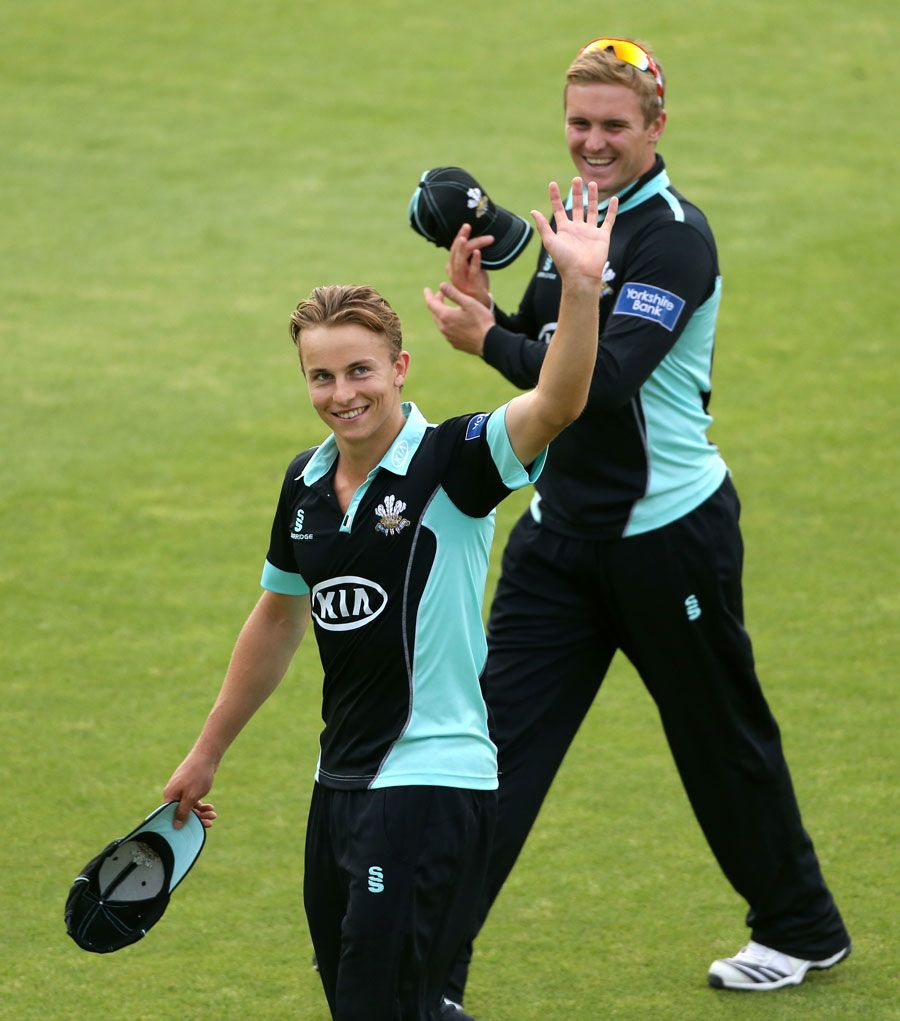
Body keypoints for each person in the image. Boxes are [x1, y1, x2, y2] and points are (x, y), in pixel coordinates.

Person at [423, 38, 850, 1012]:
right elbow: (549, 368)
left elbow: (603, 383)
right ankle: (431, 982)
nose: (593, 141)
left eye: (615, 124)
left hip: (671, 538)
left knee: (719, 740)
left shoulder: (675, 240)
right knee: (484, 751)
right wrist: (497, 318)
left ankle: (800, 927)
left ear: (656, 128)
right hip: (560, 540)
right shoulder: (580, 216)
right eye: (579, 122)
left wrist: (482, 336)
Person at [162, 180, 618, 1020]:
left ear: (400, 368)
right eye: (322, 375)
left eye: (360, 370)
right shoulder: (303, 483)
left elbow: (559, 403)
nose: (344, 393)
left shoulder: (455, 462)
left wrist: (581, 291)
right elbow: (276, 616)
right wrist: (206, 751)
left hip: (433, 783)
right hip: (339, 783)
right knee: (368, 1003)